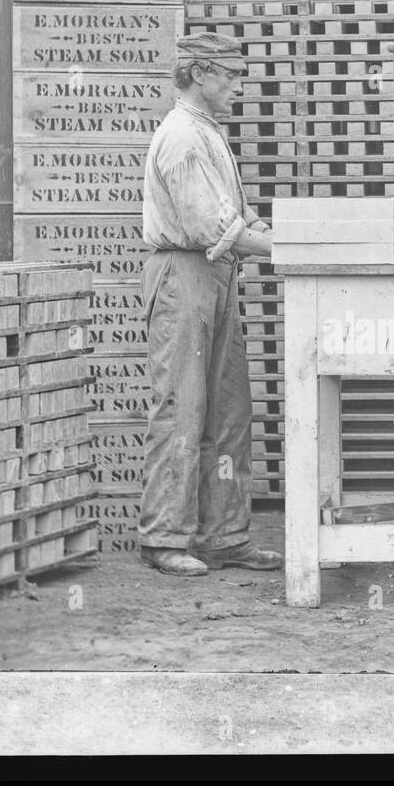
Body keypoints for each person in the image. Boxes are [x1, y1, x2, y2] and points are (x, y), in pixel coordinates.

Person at [137, 31, 282, 576]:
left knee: (227, 411)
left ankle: (224, 535)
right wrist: (293, 245)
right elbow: (209, 227)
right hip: (183, 275)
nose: (238, 86)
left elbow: (232, 219)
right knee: (182, 408)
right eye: (231, 75)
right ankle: (164, 538)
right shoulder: (182, 137)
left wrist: (264, 231)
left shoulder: (208, 133)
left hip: (216, 275)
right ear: (199, 74)